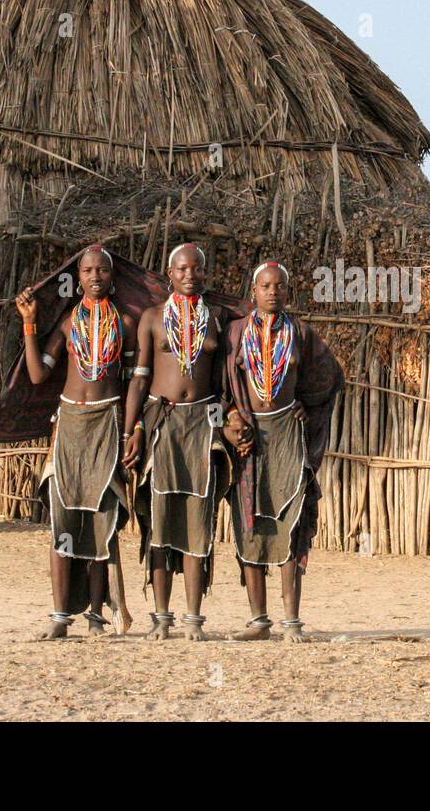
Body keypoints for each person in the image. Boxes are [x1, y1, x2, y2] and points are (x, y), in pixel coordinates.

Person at [15, 245, 136, 640]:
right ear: (78, 276)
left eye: (102, 270)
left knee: (101, 520)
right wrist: (30, 324)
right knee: (63, 519)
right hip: (68, 423)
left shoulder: (126, 323)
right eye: (88, 270)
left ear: (112, 277)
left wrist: (132, 428)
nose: (95, 276)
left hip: (106, 421)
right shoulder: (68, 323)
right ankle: (60, 616)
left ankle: (97, 615)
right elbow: (36, 376)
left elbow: (137, 379)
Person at [220, 261, 344, 643]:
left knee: (291, 520)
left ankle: (292, 621)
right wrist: (232, 415)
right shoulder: (236, 334)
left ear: (288, 292)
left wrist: (306, 403)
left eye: (279, 286)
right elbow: (223, 385)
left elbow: (330, 377)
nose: (272, 292)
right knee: (249, 519)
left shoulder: (302, 335)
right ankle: (259, 621)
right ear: (253, 291)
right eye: (265, 286)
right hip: (249, 438)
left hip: (288, 433)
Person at [122, 243, 238, 641]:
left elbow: (227, 380)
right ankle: (160, 617)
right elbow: (139, 378)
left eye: (197, 269)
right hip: (162, 422)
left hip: (203, 424)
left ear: (205, 274)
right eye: (182, 269)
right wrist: (131, 429)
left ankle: (193, 618)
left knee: (197, 520)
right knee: (158, 519)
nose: (190, 275)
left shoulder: (218, 320)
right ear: (169, 274)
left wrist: (230, 417)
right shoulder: (153, 319)